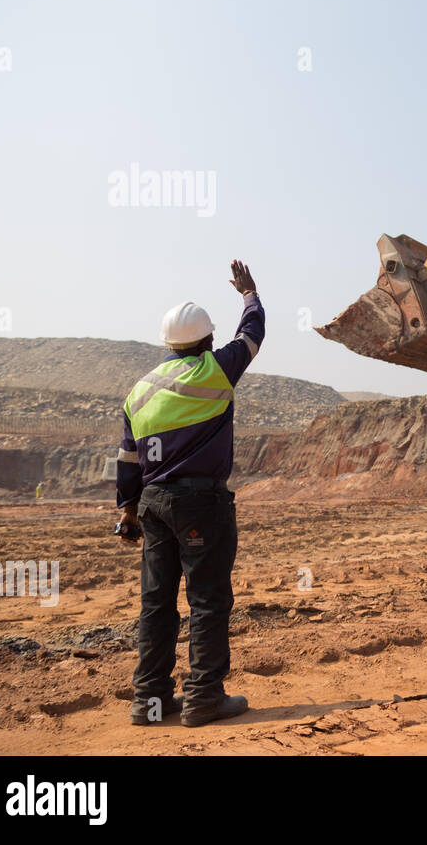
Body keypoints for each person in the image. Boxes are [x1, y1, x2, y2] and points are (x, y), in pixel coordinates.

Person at [114, 260, 264, 727]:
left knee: (157, 603)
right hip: (201, 503)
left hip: (154, 505)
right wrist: (249, 294)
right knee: (207, 599)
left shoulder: (139, 392)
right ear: (205, 340)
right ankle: (203, 698)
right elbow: (254, 335)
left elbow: (127, 460)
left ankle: (151, 702)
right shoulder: (214, 370)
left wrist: (127, 511)